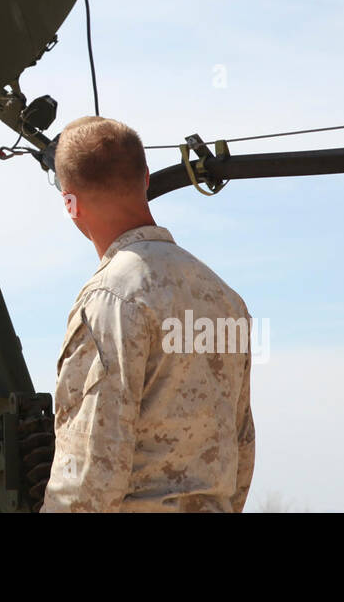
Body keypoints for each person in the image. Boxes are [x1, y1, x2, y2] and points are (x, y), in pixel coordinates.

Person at [40, 116, 254, 512]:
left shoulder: (109, 299)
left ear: (70, 204)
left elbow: (90, 476)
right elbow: (241, 449)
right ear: (146, 179)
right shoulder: (225, 299)